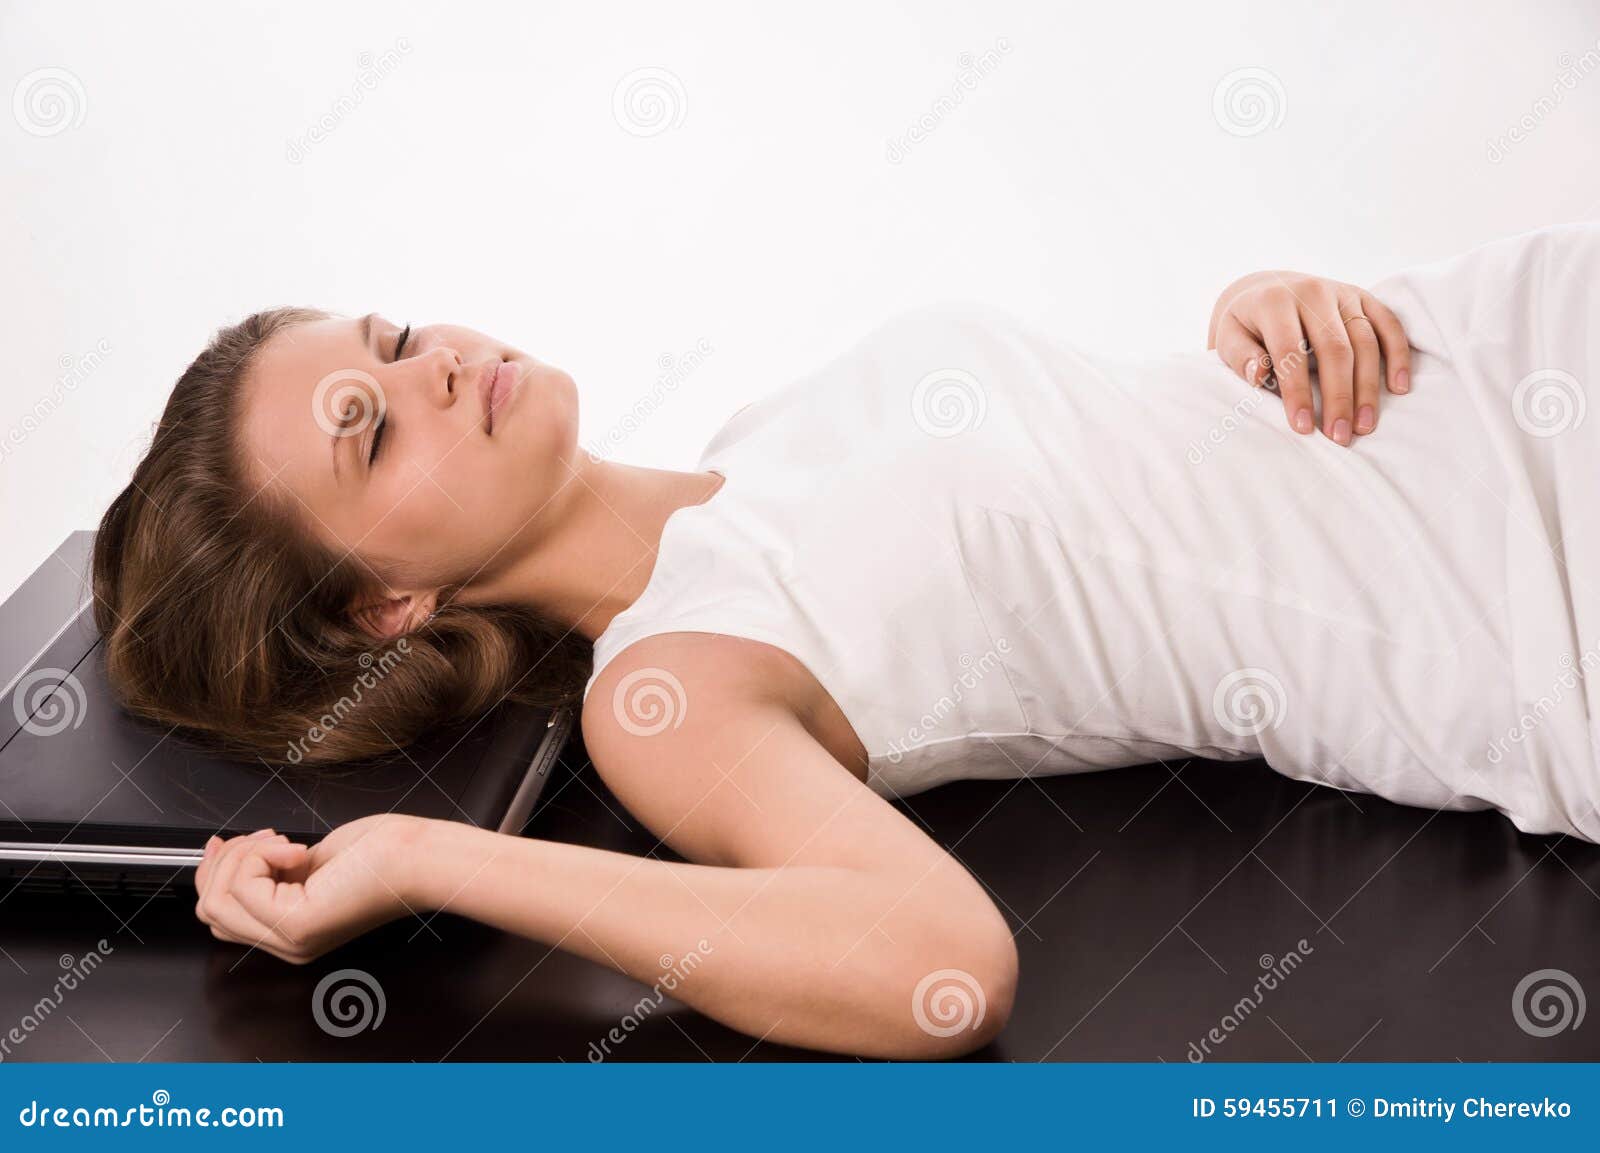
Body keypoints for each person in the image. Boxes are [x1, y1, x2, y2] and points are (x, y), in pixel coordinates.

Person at [93, 221, 1600, 1058]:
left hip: (1508, 344)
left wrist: (1252, 311)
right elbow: (943, 971)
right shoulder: (668, 684)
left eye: (396, 340)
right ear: (385, 608)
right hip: (1532, 596)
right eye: (370, 430)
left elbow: (1121, 473)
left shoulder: (758, 437)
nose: (436, 368)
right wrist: (427, 855)